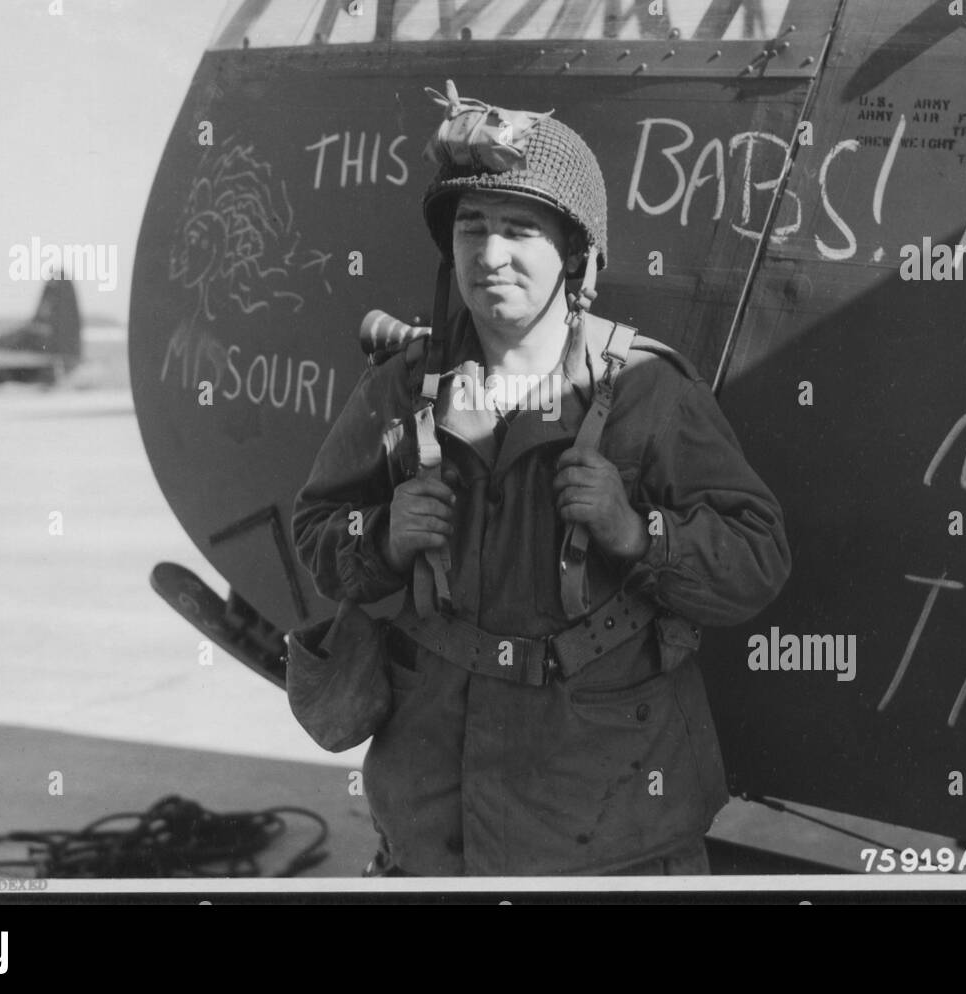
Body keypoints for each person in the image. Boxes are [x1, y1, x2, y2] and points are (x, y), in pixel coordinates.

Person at [292, 82, 790, 876]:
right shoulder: (401, 386)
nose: (489, 257)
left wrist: (637, 532)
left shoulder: (650, 391)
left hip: (610, 825)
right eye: (471, 229)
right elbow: (317, 532)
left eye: (520, 230)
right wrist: (383, 536)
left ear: (576, 255)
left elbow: (758, 558)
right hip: (436, 822)